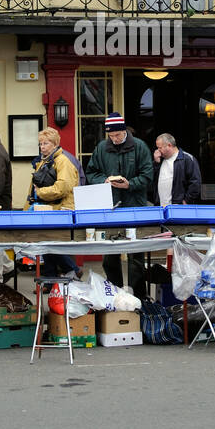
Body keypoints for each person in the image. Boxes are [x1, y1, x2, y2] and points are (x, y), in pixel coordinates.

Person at [85, 113, 154, 298]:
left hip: (135, 207)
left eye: (117, 135)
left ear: (124, 131)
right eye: (111, 136)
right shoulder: (101, 148)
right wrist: (104, 179)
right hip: (110, 207)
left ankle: (138, 297)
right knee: (109, 254)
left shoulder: (139, 147)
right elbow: (91, 172)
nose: (115, 139)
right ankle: (114, 294)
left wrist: (130, 184)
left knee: (136, 256)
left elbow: (148, 175)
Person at [27, 127, 80, 277]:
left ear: (55, 144)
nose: (42, 147)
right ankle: (50, 278)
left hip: (62, 209)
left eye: (46, 143)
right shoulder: (44, 162)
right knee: (46, 242)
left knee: (50, 244)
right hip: (50, 208)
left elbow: (62, 188)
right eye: (40, 144)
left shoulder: (63, 162)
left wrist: (40, 193)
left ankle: (73, 269)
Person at [151, 133, 202, 206]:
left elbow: (195, 183)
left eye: (160, 148)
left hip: (178, 207)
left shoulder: (187, 159)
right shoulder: (159, 160)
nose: (157, 151)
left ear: (169, 145)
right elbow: (151, 181)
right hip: (160, 207)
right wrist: (156, 163)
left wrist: (186, 201)